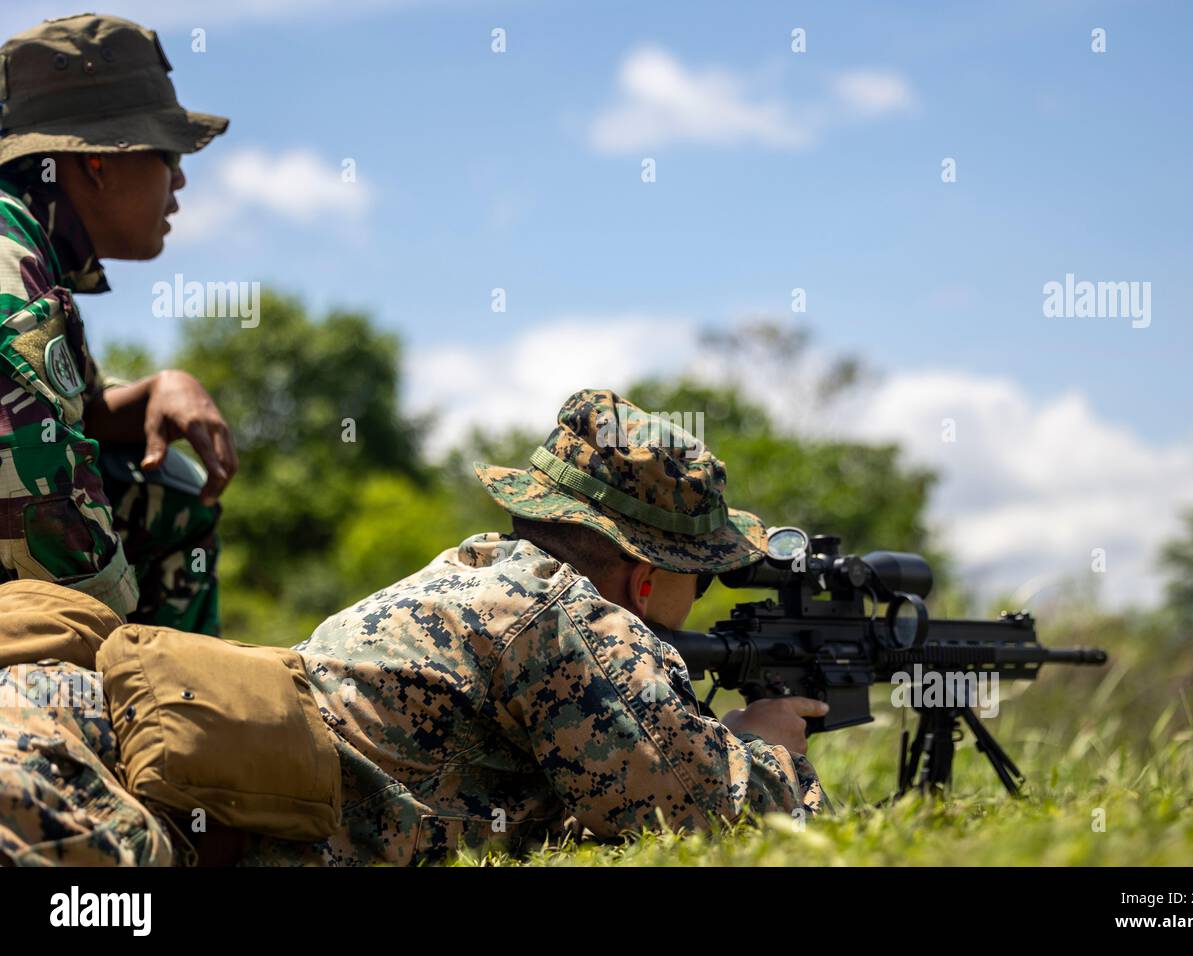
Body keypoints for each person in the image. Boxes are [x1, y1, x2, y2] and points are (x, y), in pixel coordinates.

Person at [238, 388, 826, 865]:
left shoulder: (472, 572)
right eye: (699, 578)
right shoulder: (563, 617)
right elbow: (702, 808)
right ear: (644, 580)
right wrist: (764, 744)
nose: (699, 596)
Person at [0, 13, 237, 635]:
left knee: (161, 486)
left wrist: (156, 388)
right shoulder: (6, 253)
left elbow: (61, 411)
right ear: (99, 163)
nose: (180, 178)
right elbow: (32, 484)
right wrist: (127, 643)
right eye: (168, 152)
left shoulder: (26, 241)